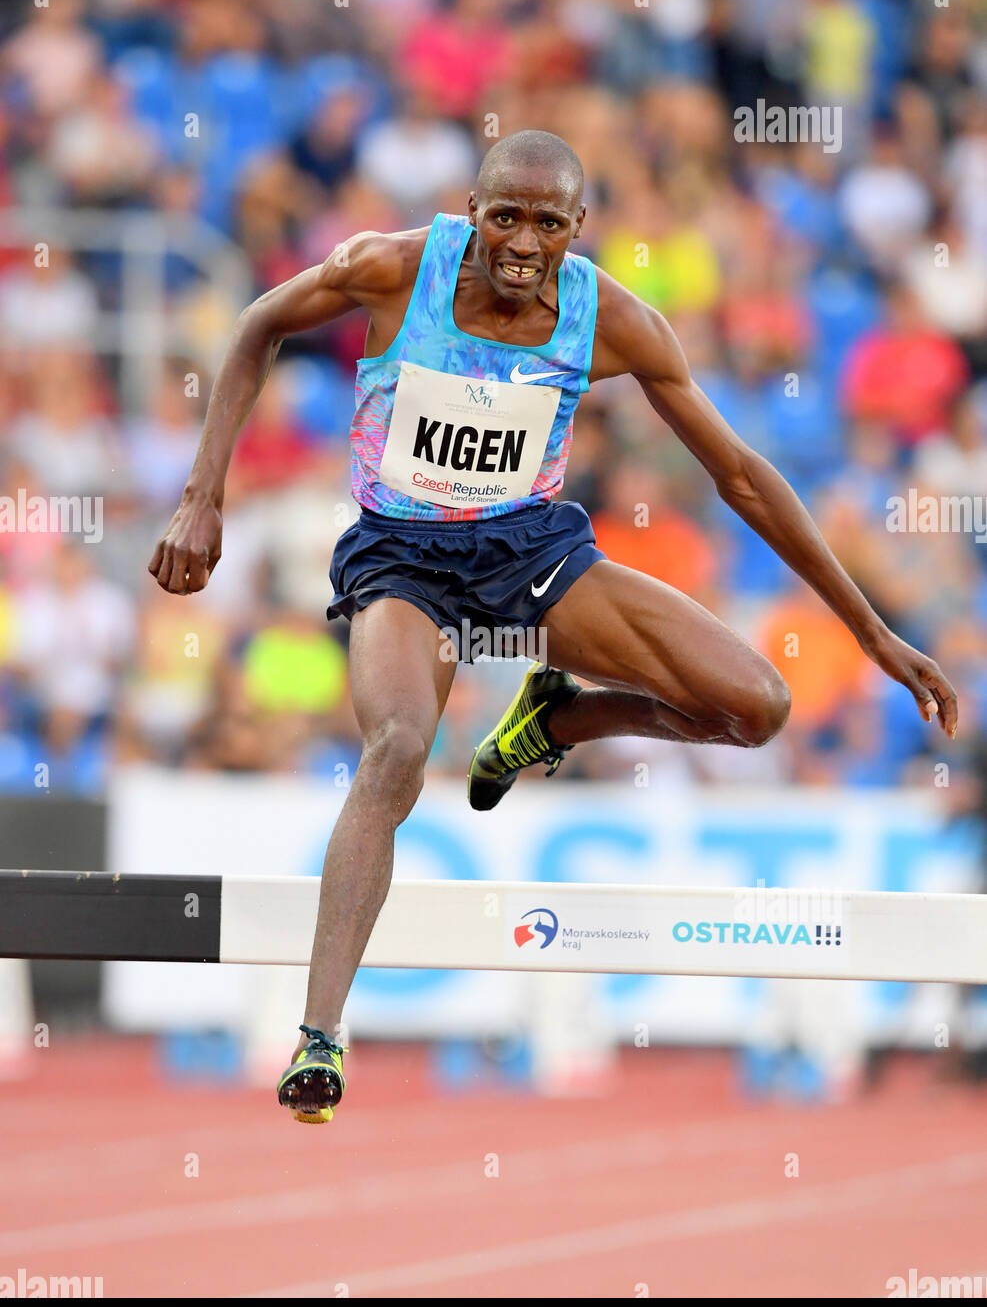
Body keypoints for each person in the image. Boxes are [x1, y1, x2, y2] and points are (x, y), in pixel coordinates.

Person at [149, 131, 958, 1124]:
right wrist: (202, 496)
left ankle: (558, 720)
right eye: (505, 215)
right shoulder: (393, 269)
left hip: (530, 550)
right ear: (473, 208)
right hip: (401, 555)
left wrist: (874, 632)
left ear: (580, 229)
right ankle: (320, 1032)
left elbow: (740, 475)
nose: (522, 242)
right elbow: (256, 326)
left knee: (757, 707)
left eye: (547, 223)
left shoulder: (613, 319)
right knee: (397, 745)